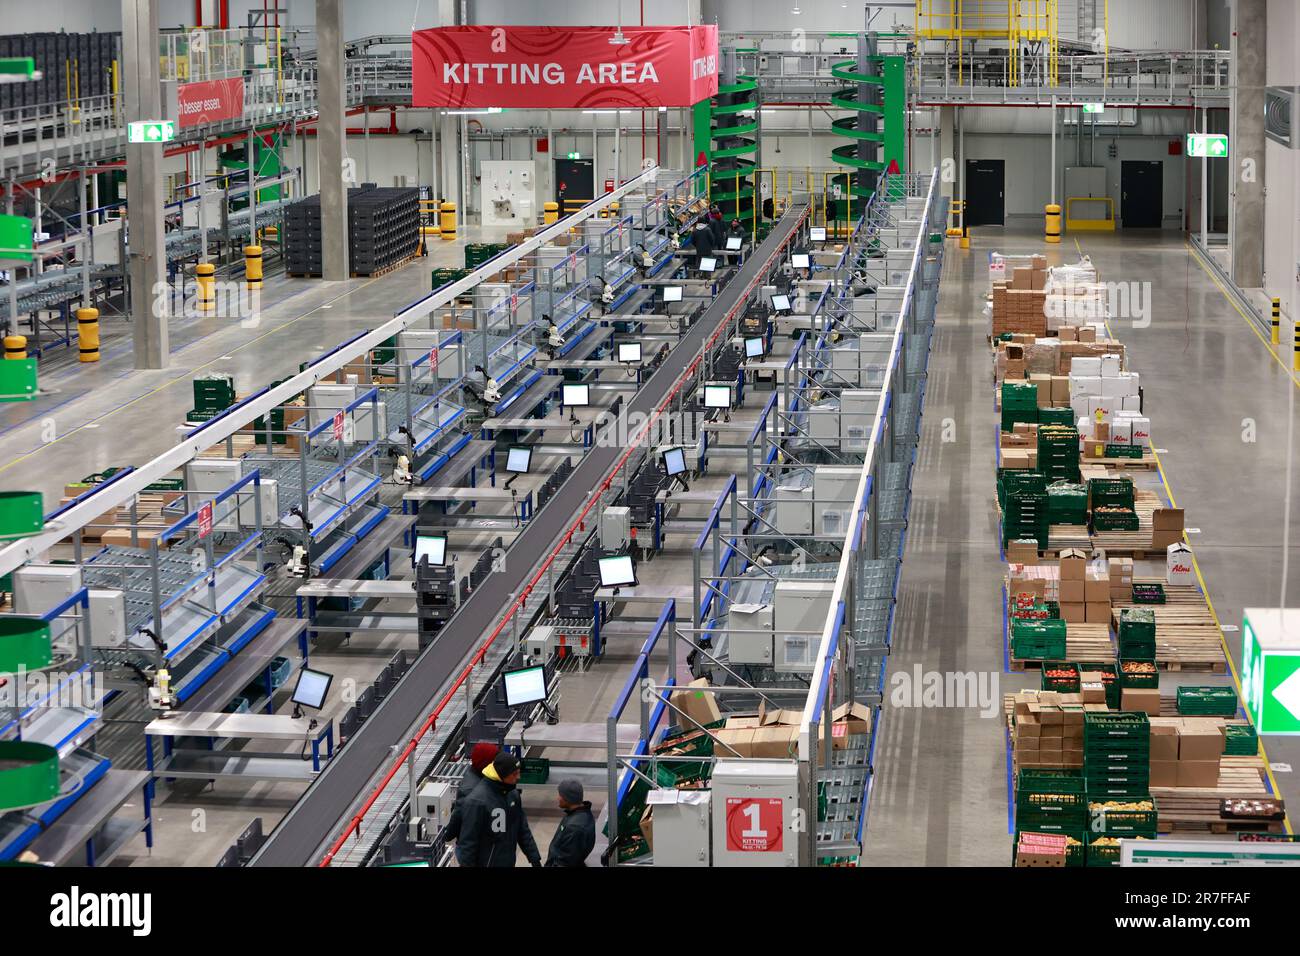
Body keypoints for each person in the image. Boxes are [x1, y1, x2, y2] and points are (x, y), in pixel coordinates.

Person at [456, 752, 542, 868]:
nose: (518, 777)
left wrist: (534, 858)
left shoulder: (513, 795)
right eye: (514, 774)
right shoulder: (476, 802)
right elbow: (468, 843)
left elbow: (522, 829)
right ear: (503, 775)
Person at [443, 741, 498, 844]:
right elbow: (458, 818)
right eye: (493, 761)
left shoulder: (481, 774)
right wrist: (446, 836)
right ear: (485, 763)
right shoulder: (469, 791)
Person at [545, 779, 596, 867]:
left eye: (560, 795)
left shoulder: (575, 828)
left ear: (568, 798)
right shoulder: (579, 813)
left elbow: (565, 862)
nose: (558, 798)